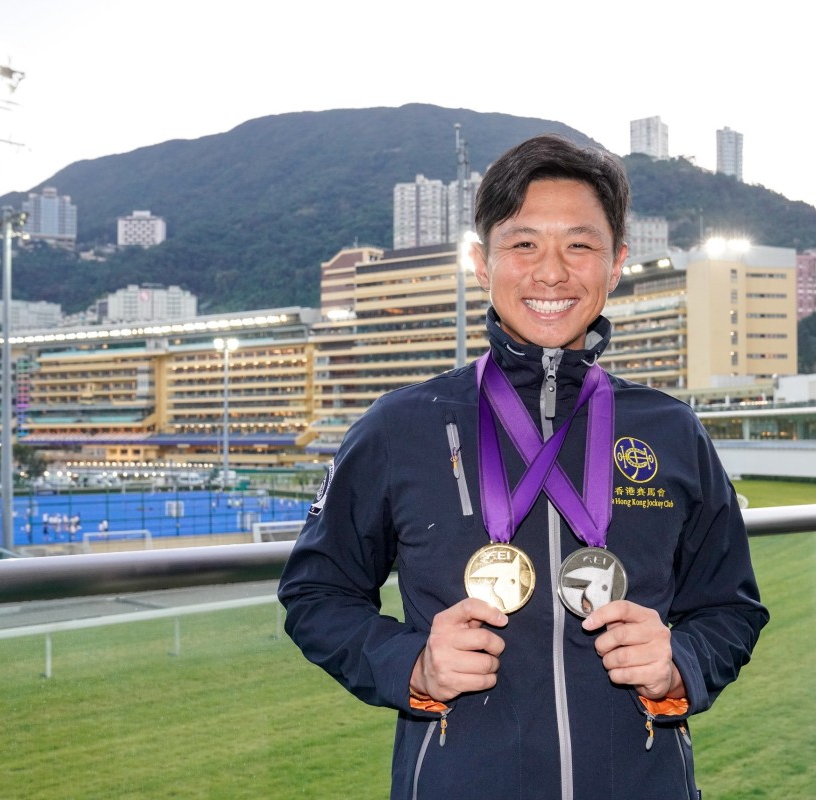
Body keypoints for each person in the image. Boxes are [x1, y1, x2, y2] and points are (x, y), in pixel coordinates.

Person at [278, 133, 768, 799]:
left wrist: (682, 662)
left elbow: (730, 607)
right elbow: (316, 593)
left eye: (580, 244)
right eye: (524, 243)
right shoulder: (401, 426)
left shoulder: (672, 431)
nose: (551, 272)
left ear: (617, 262)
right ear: (483, 262)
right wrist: (412, 663)